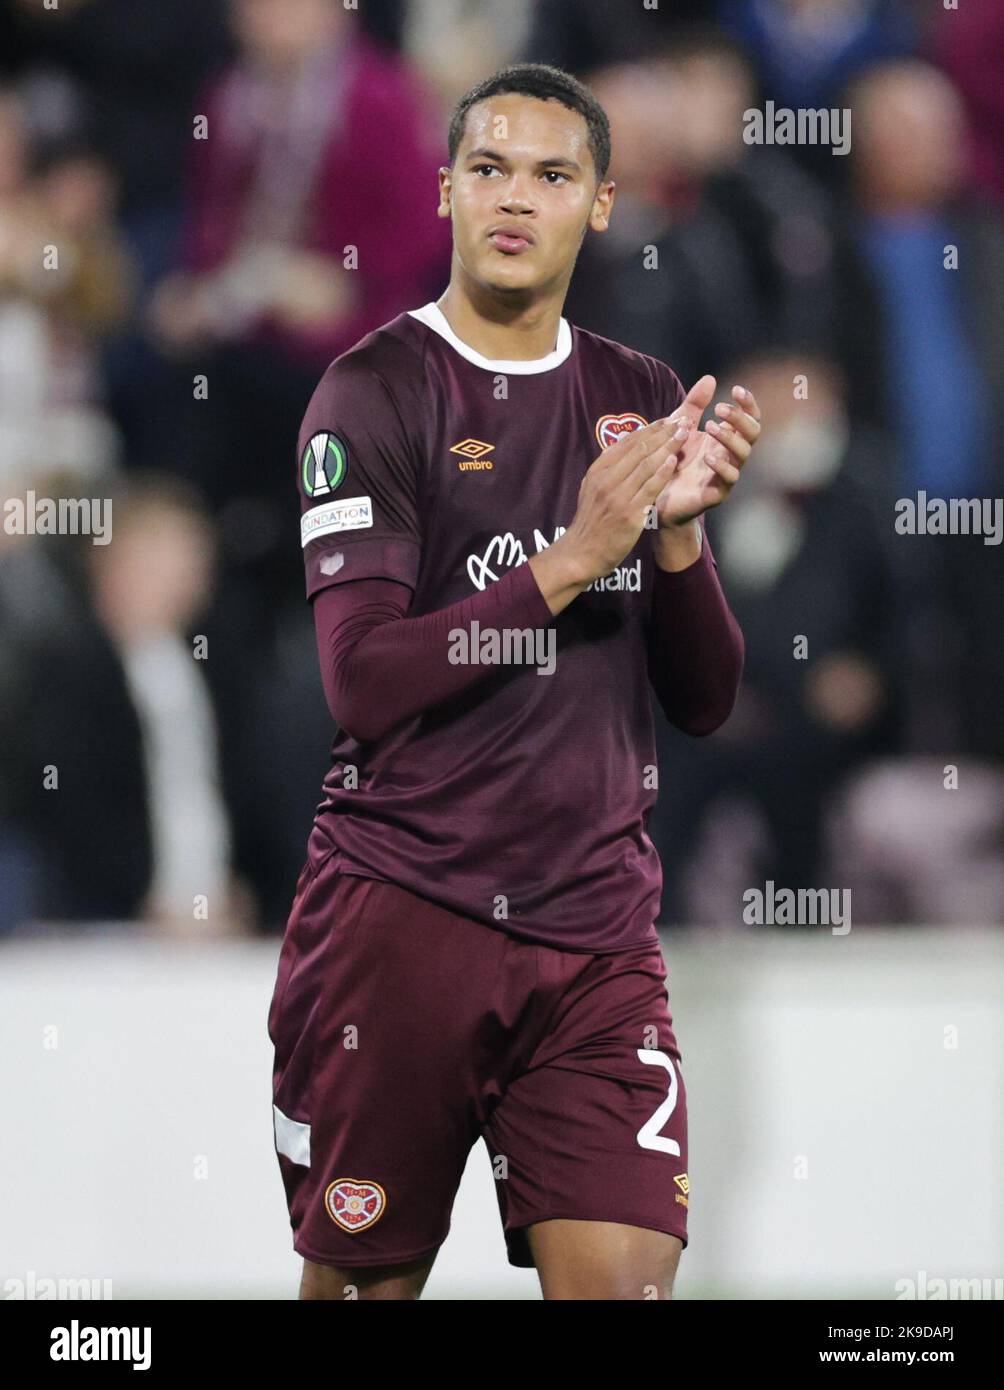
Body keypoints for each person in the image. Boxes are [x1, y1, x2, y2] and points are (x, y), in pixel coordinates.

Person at [268, 63, 760, 1301]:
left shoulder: (639, 400)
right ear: (442, 191)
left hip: (596, 934)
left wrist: (676, 542)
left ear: (599, 205)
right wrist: (573, 559)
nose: (513, 198)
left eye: (551, 175)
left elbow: (703, 700)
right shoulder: (373, 391)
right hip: (401, 922)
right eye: (487, 168)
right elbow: (364, 681)